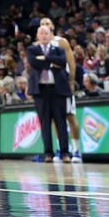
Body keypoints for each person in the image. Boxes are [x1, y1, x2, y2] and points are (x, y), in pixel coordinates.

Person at [25, 23, 73, 163]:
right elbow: (34, 63)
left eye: (46, 33)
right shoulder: (32, 49)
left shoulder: (58, 49)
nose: (44, 36)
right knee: (45, 123)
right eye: (41, 33)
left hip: (57, 90)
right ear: (37, 36)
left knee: (61, 122)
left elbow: (63, 62)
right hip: (41, 91)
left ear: (51, 35)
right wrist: (52, 63)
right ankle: (48, 153)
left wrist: (45, 59)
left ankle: (65, 152)